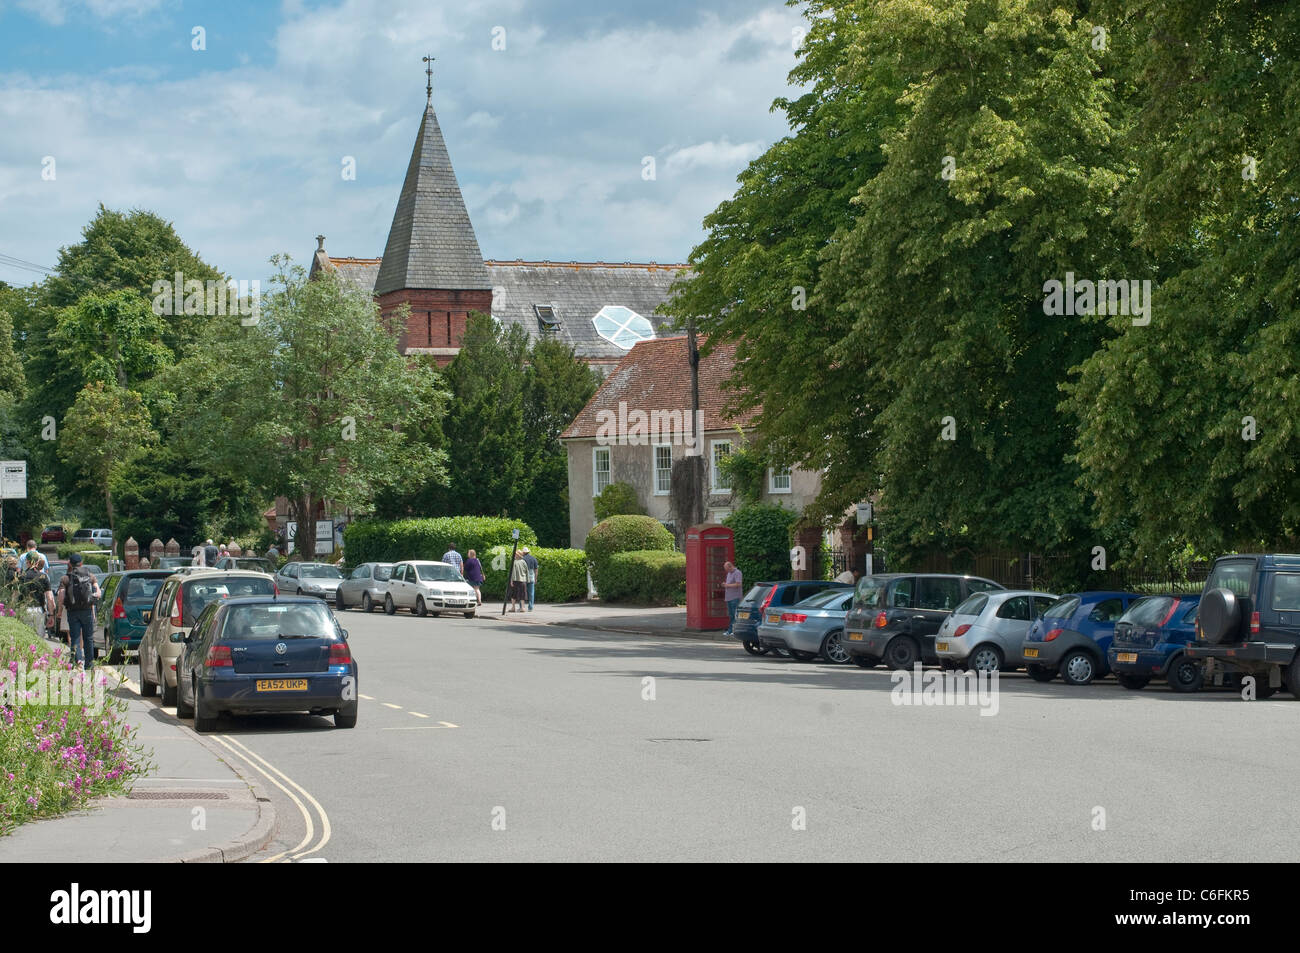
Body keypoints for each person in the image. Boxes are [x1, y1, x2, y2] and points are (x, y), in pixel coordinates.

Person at [57, 552, 101, 671]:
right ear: (81, 563)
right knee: (88, 638)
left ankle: (78, 662)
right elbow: (98, 593)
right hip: (87, 611)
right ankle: (89, 664)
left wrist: (60, 610)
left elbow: (61, 596)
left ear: (70, 564)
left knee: (75, 637)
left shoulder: (65, 578)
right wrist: (93, 598)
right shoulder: (90, 576)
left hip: (72, 611)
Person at [723, 560, 743, 635]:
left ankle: (735, 630)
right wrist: (725, 584)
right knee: (731, 615)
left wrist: (727, 585)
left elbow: (738, 584)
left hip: (735, 597)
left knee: (735, 614)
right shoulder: (729, 573)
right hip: (728, 597)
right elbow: (729, 584)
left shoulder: (737, 572)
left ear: (730, 566)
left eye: (727, 569)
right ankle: (730, 630)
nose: (726, 571)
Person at [521, 546, 539, 611]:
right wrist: (536, 578)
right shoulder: (534, 559)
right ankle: (530, 607)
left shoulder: (522, 559)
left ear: (523, 552)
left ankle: (522, 607)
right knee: (531, 593)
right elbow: (536, 570)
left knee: (522, 592)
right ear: (528, 552)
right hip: (531, 577)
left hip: (524, 578)